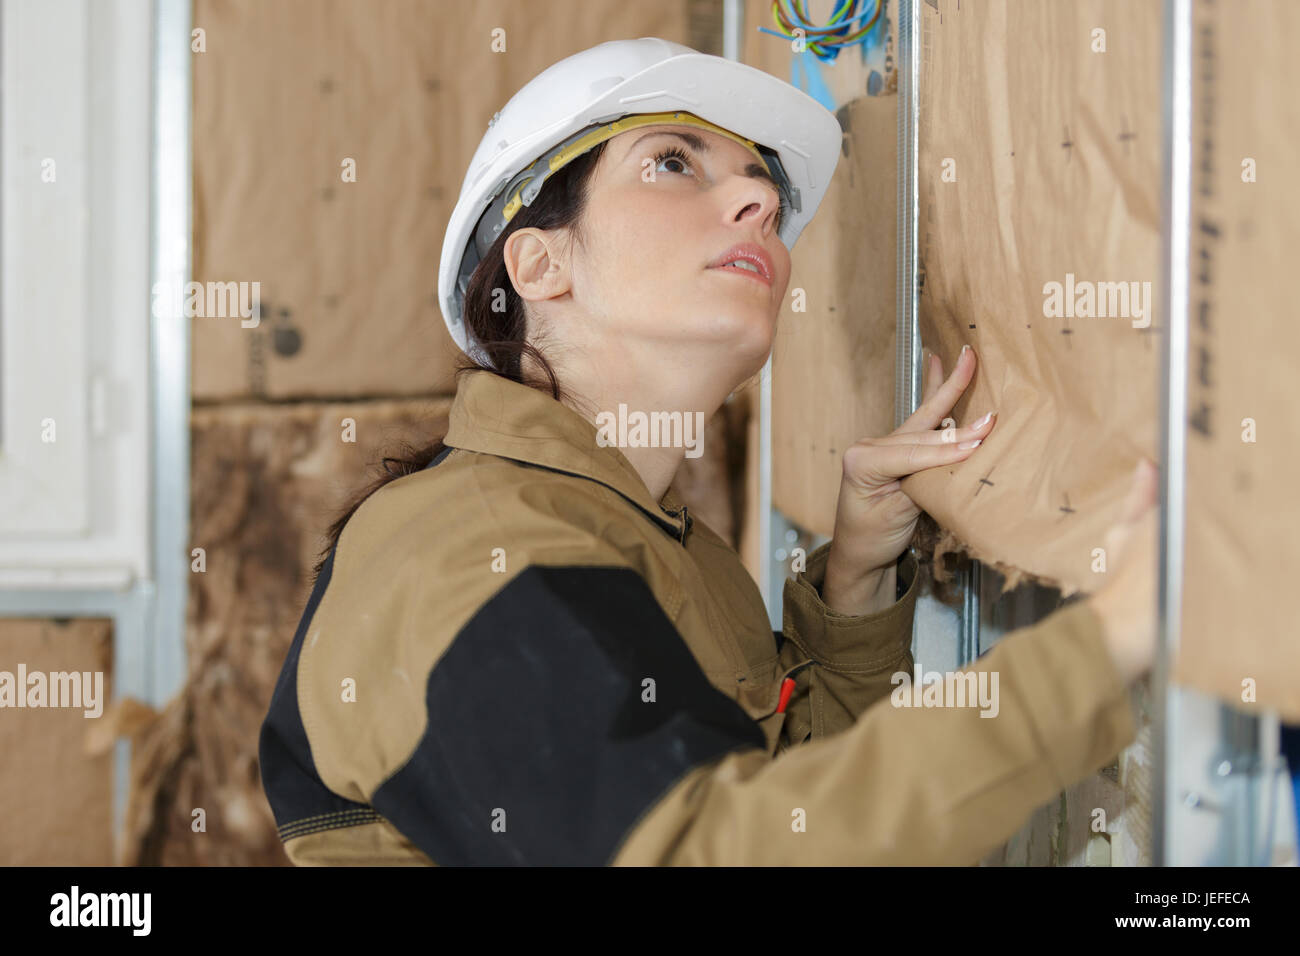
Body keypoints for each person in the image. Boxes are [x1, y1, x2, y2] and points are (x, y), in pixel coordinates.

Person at [259, 37, 1157, 865]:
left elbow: (789, 807)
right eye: (673, 164)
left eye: (764, 190)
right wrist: (1106, 644)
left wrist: (852, 579)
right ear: (538, 267)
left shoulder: (649, 538)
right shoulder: (466, 549)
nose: (762, 202)